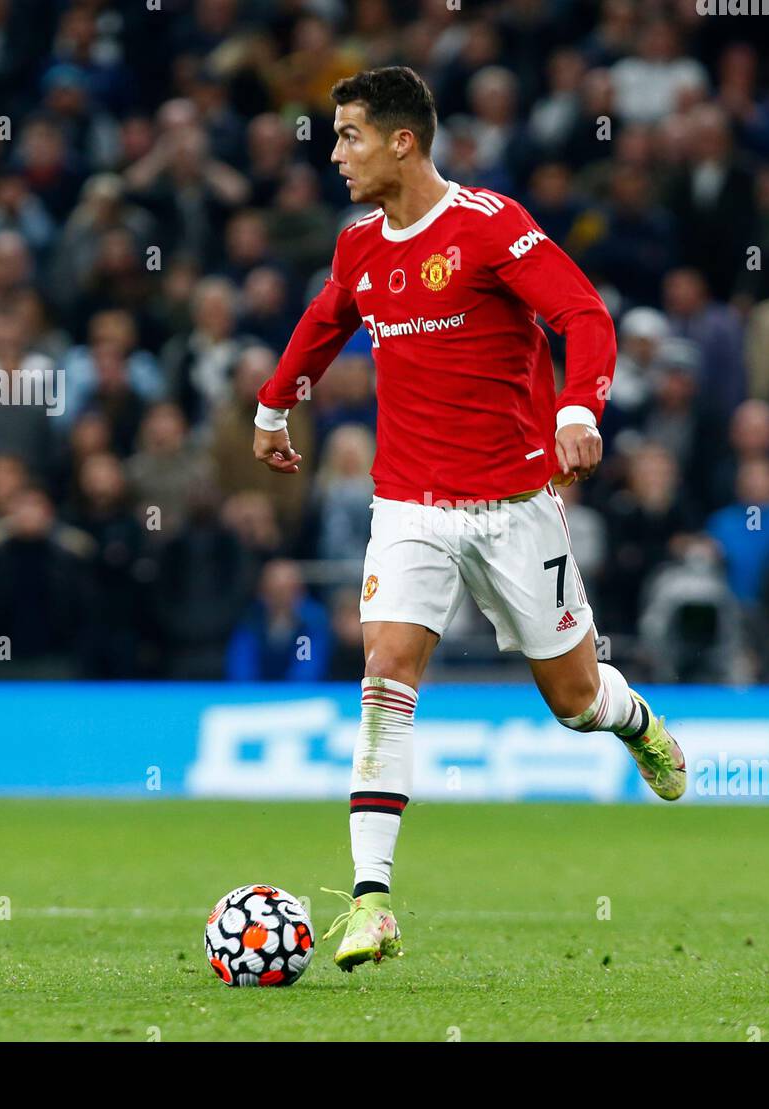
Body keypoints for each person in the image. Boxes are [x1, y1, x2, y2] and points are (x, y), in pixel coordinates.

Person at [251, 67, 685, 973]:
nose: (334, 155)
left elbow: (582, 313)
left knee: (574, 704)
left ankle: (635, 717)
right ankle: (371, 900)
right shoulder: (359, 247)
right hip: (408, 504)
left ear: (402, 142)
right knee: (385, 673)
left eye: (349, 137)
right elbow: (327, 320)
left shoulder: (490, 228)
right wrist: (272, 403)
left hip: (515, 508)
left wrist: (579, 409)